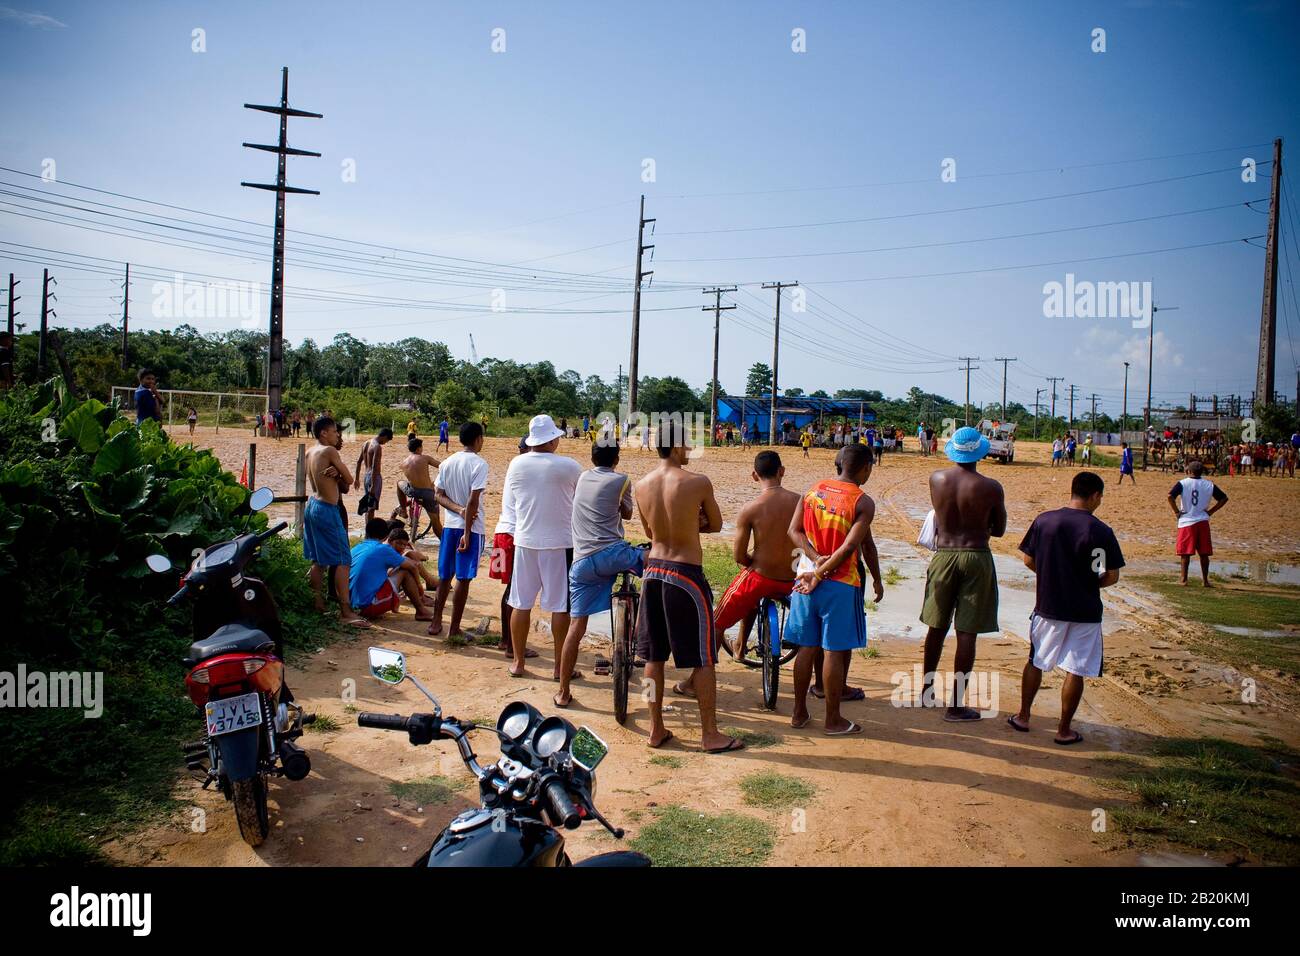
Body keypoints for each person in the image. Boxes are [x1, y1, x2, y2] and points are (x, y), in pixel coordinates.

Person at [634, 421, 741, 754]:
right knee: (704, 657)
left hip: (653, 571)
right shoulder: (697, 483)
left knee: (653, 657)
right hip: (685, 574)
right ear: (678, 446)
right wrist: (693, 522)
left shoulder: (641, 485)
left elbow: (650, 530)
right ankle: (709, 733)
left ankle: (655, 728)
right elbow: (717, 523)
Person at [1011, 471, 1124, 745]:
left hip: (1049, 606)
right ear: (1095, 496)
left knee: (1036, 660)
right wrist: (1083, 584)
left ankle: (1024, 716)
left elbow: (1028, 559)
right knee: (1075, 669)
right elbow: (1110, 575)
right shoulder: (1101, 531)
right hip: (1085, 610)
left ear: (1072, 491)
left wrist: (1051, 577)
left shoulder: (1045, 520)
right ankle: (1064, 730)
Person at [785, 443, 883, 735]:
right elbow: (853, 546)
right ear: (865, 469)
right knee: (834, 652)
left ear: (841, 464)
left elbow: (794, 531)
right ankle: (832, 720)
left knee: (807, 647)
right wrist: (823, 570)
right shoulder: (863, 502)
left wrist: (814, 562)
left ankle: (798, 712)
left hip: (804, 579)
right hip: (840, 584)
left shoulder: (812, 491)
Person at [919, 425, 1006, 720]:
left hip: (944, 555)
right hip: (977, 555)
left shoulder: (937, 479)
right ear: (980, 451)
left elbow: (941, 516)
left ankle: (926, 691)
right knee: (966, 632)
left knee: (936, 625)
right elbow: (1001, 529)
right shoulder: (991, 487)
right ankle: (956, 706)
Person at [555, 439, 644, 707]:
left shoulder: (582, 478)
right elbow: (627, 514)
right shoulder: (623, 480)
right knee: (654, 562)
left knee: (576, 626)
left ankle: (563, 691)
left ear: (592, 458)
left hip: (581, 562)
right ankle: (640, 631)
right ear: (616, 458)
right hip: (611, 554)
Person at [502, 414, 583, 677]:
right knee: (560, 606)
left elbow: (512, 503)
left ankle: (518, 662)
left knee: (520, 602)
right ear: (552, 439)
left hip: (525, 540)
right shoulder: (569, 466)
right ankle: (560, 667)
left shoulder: (516, 464)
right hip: (560, 543)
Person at [710, 451, 800, 664]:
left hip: (761, 577)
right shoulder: (801, 503)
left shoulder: (750, 509)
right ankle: (740, 647)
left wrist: (756, 561)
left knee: (716, 624)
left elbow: (739, 556)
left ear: (754, 475)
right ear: (782, 471)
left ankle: (701, 678)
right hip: (793, 580)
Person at [303, 417, 368, 628]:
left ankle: (317, 602)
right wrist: (340, 472)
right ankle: (345, 611)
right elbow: (349, 480)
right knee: (343, 560)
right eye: (334, 432)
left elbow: (317, 478)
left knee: (319, 560)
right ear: (324, 433)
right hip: (327, 509)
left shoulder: (309, 452)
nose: (338, 435)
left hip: (312, 505)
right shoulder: (329, 451)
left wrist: (336, 473)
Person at [430, 421, 489, 638]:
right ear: (478, 439)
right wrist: (466, 526)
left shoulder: (447, 462)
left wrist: (456, 509)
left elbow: (438, 494)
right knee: (463, 578)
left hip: (450, 527)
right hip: (470, 530)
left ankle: (436, 622)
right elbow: (473, 502)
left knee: (445, 576)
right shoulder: (479, 464)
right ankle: (454, 628)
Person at [489, 437, 537, 658]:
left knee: (510, 590)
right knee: (515, 593)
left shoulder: (516, 467)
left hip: (503, 532)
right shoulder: (526, 469)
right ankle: (511, 646)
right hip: (513, 536)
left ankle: (505, 640)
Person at [349, 518, 434, 621]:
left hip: (352, 606)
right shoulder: (383, 549)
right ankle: (421, 610)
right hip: (368, 606)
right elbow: (412, 566)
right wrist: (420, 588)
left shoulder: (355, 548)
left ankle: (401, 601)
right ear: (386, 537)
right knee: (405, 571)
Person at [1169, 459, 1228, 587]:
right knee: (1204, 553)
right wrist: (1211, 511)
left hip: (1186, 521)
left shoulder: (1183, 483)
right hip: (1202, 520)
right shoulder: (1209, 484)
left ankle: (1184, 580)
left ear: (1188, 471)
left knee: (1185, 554)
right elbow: (1223, 498)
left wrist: (1176, 512)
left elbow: (1170, 496)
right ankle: (1205, 580)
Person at [394, 437, 442, 530]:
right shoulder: (425, 458)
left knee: (399, 483)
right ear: (418, 448)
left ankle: (403, 510)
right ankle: (444, 542)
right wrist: (435, 482)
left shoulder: (404, 463)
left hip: (413, 491)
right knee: (436, 522)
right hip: (428, 493)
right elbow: (443, 467)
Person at [385, 526, 438, 602]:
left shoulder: (392, 549)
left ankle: (429, 584)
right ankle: (424, 592)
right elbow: (387, 573)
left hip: (390, 584)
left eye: (404, 545)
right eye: (399, 543)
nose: (401, 547)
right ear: (389, 540)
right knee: (410, 564)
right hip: (382, 588)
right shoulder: (386, 551)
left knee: (410, 560)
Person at [354, 427, 393, 524]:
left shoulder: (366, 443)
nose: (385, 443)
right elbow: (375, 467)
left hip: (366, 476)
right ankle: (369, 532)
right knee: (371, 507)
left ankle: (368, 529)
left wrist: (357, 479)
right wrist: (373, 485)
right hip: (374, 477)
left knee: (368, 505)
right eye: (386, 440)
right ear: (384, 436)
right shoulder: (377, 447)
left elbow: (359, 462)